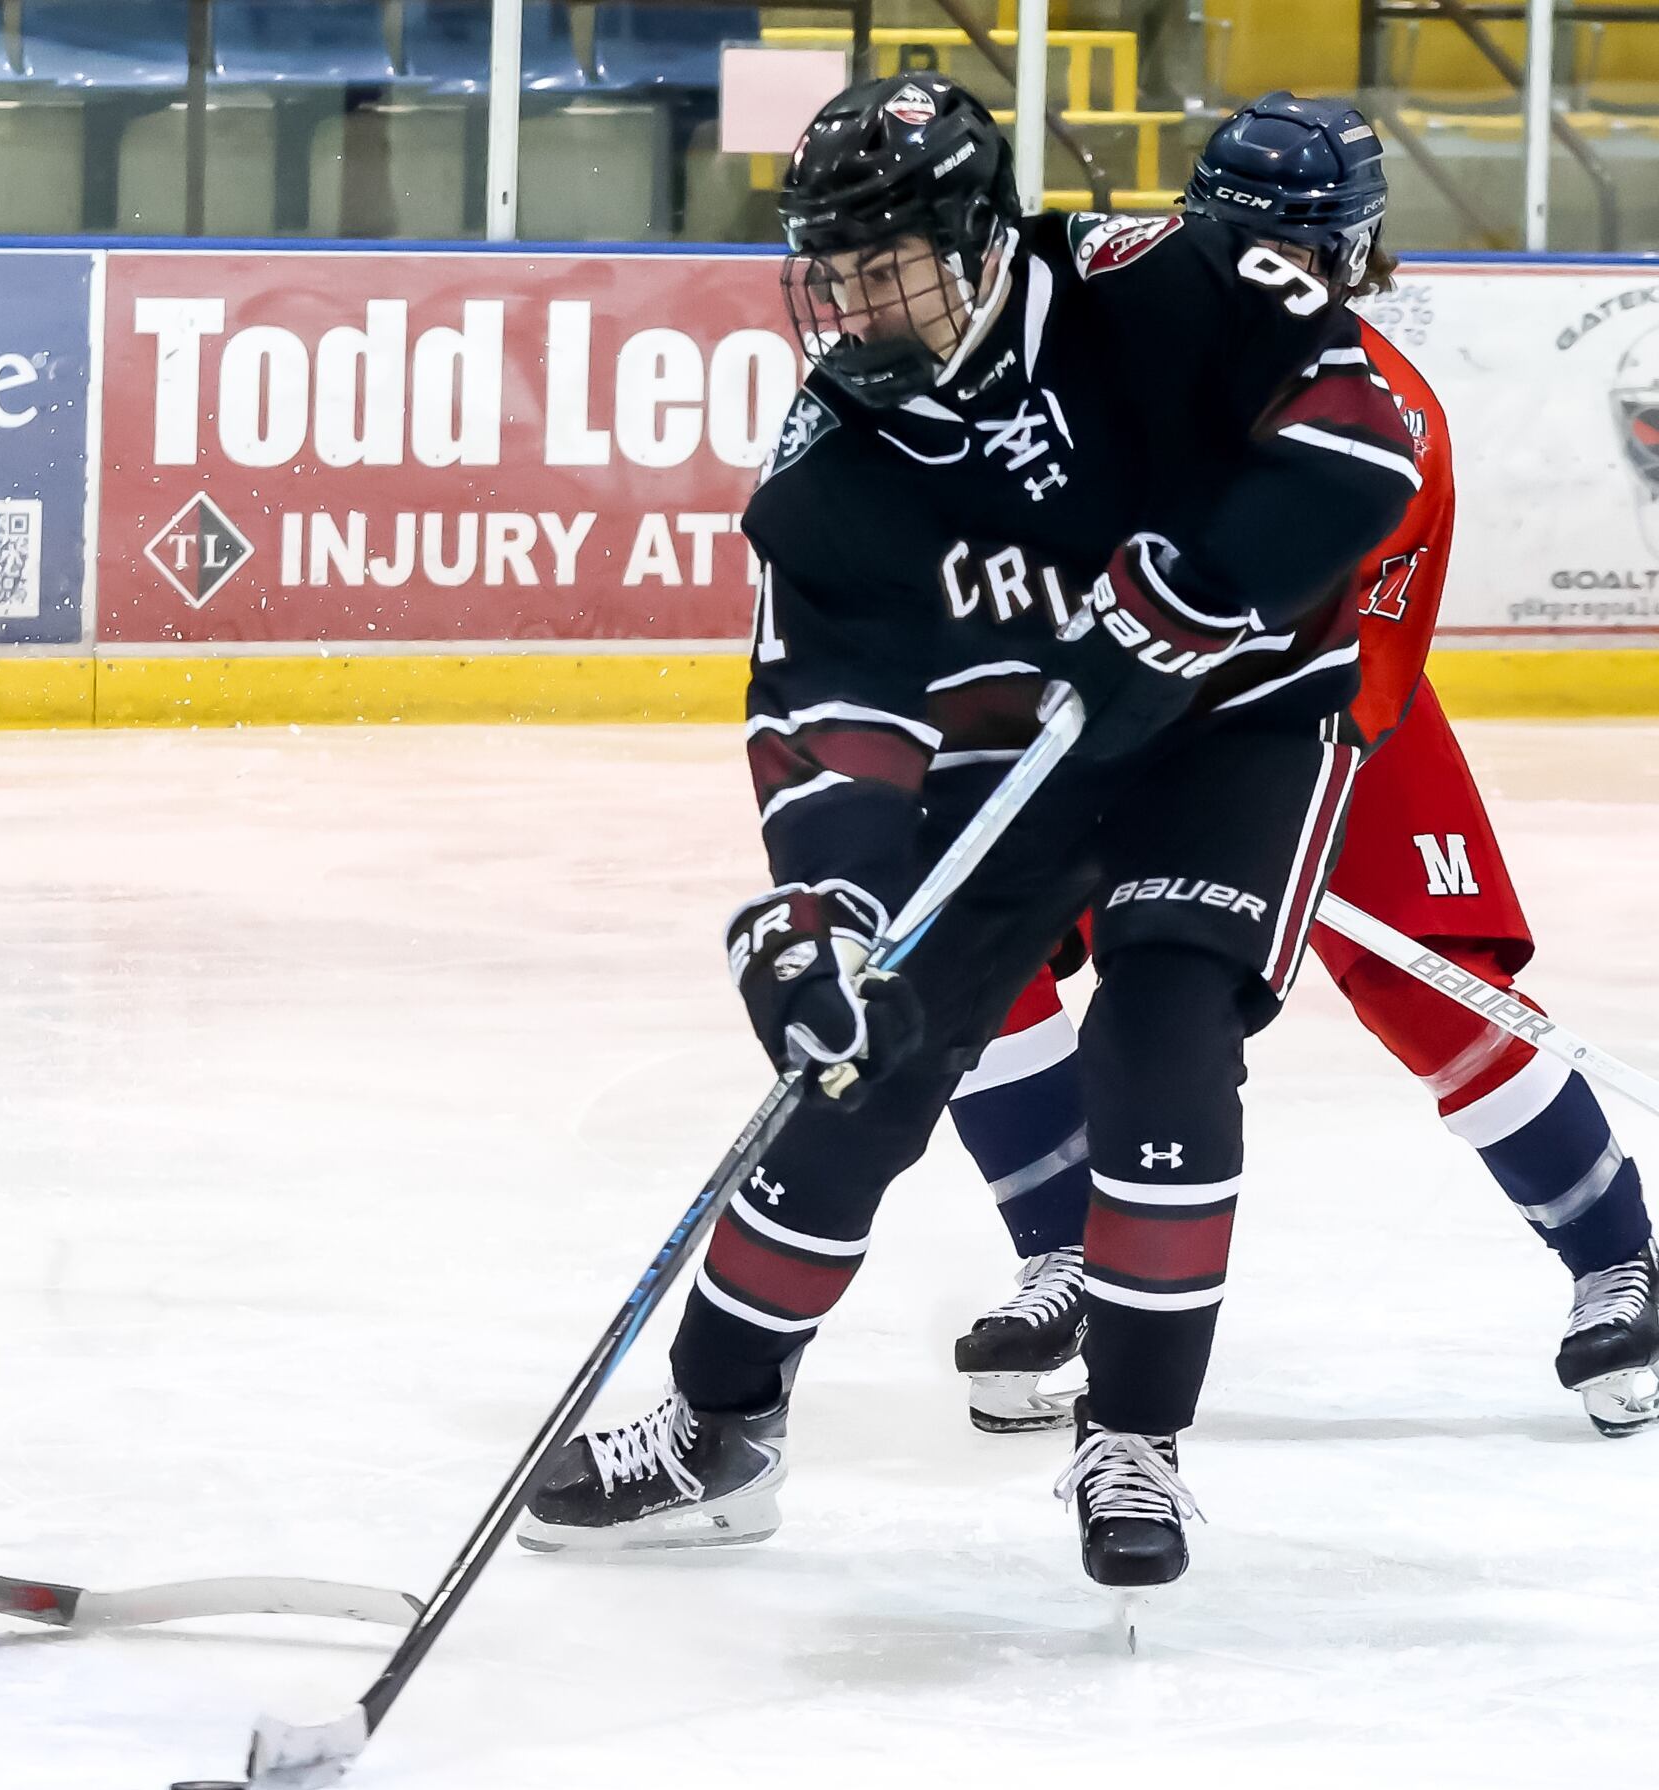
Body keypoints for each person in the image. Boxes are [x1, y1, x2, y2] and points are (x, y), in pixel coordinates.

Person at [514, 73, 1418, 1588]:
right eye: (834, 271)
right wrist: (831, 912)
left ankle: (1133, 1439)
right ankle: (719, 1433)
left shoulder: (1166, 279)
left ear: (984, 239)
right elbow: (830, 718)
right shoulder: (834, 459)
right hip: (1026, 752)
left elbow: (1363, 446)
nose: (856, 305)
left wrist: (1196, 597)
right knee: (860, 1060)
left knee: (1161, 1031)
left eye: (891, 267)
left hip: (1234, 727)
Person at [939, 95, 1659, 1441]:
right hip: (1109, 707)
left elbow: (1343, 661)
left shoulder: (1390, 423)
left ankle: (1620, 1256)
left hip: (1331, 714)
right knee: (981, 937)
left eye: (1303, 253)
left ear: (1354, 256)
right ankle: (1069, 1254)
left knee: (1432, 987)